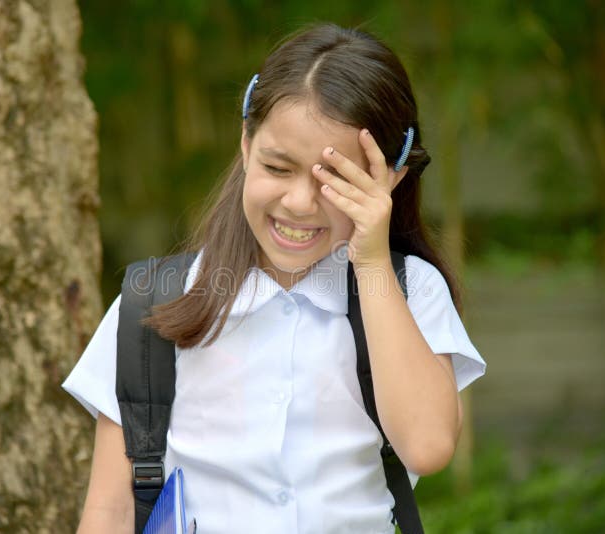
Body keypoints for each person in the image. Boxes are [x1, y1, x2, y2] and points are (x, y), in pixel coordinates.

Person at [63, 22, 486, 534]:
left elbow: (427, 445)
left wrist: (372, 260)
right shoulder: (155, 304)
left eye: (335, 180)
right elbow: (110, 511)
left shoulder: (409, 290)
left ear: (391, 174)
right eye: (278, 168)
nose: (300, 203)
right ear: (245, 142)